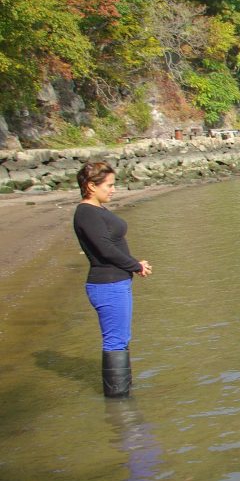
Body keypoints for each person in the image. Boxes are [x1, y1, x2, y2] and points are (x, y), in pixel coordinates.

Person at [74, 161, 152, 397]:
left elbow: (111, 245)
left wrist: (132, 265)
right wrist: (135, 265)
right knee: (115, 342)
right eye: (109, 185)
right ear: (91, 186)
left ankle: (122, 394)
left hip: (116, 282)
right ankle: (118, 401)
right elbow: (105, 249)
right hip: (107, 284)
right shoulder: (86, 213)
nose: (113, 189)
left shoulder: (96, 210)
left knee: (121, 339)